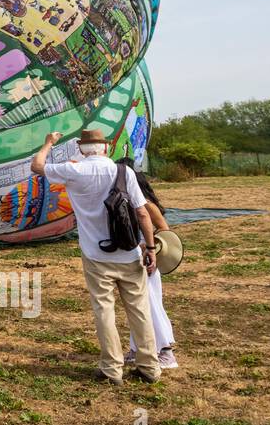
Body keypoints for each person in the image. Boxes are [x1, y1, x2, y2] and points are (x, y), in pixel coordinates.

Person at [32, 129, 160, 385]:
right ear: (106, 147)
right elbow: (143, 213)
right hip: (129, 252)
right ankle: (149, 367)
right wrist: (150, 247)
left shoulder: (73, 171)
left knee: (104, 310)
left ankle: (112, 369)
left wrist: (48, 143)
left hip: (95, 254)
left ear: (81, 149)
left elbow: (37, 166)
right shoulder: (124, 172)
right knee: (140, 310)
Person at [120, 158, 179, 369]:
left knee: (151, 305)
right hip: (136, 257)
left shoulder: (145, 203)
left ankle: (165, 351)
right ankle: (138, 350)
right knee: (138, 306)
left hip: (148, 259)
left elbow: (166, 231)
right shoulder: (130, 200)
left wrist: (148, 246)